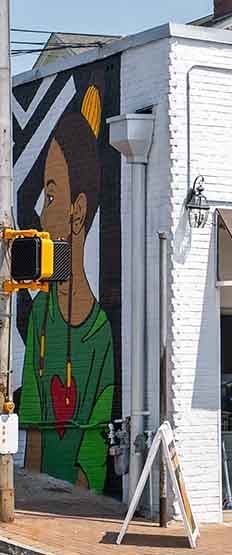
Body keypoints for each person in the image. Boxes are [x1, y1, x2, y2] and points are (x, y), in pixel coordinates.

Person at [19, 85, 114, 494]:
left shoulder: (102, 335)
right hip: (41, 491)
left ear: (77, 211)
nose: (42, 209)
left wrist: (75, 494)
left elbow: (93, 445)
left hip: (79, 495)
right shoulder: (41, 315)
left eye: (52, 195)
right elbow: (35, 437)